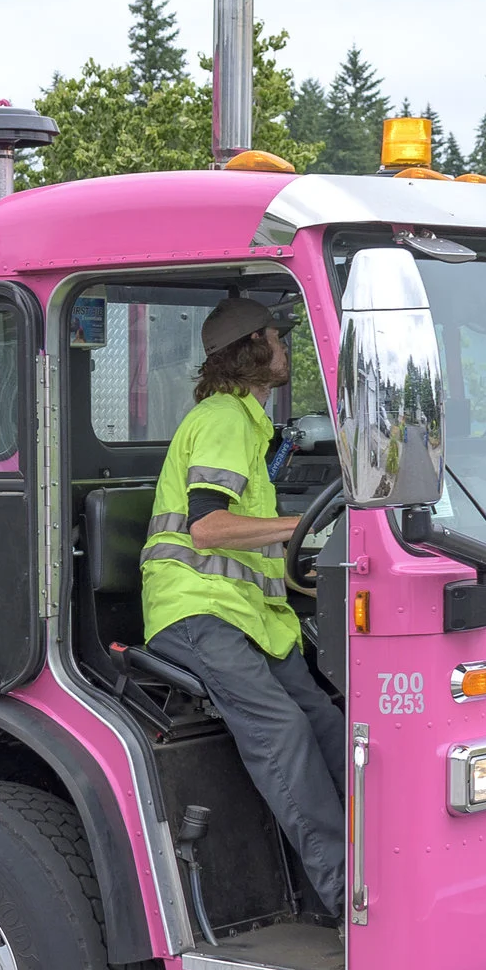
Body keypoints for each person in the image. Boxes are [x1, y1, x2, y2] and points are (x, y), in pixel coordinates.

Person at [140, 296, 349, 923]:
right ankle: (347, 896)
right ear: (254, 346)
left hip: (248, 615)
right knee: (282, 732)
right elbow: (208, 530)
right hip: (196, 609)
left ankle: (383, 859)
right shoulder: (226, 419)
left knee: (329, 723)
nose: (288, 350)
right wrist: (306, 525)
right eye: (280, 339)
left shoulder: (250, 425)